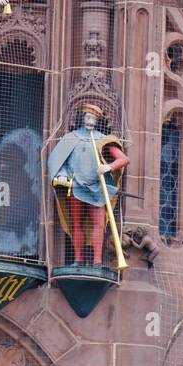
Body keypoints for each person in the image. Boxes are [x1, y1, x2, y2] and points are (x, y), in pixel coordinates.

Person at [47, 102, 129, 267]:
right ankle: (78, 259)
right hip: (76, 187)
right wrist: (62, 175)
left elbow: (123, 159)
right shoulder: (72, 138)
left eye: (93, 117)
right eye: (87, 116)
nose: (90, 119)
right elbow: (59, 162)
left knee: (99, 224)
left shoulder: (102, 140)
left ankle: (97, 261)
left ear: (97, 121)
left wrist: (108, 166)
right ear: (82, 117)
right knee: (76, 223)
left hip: (97, 189)